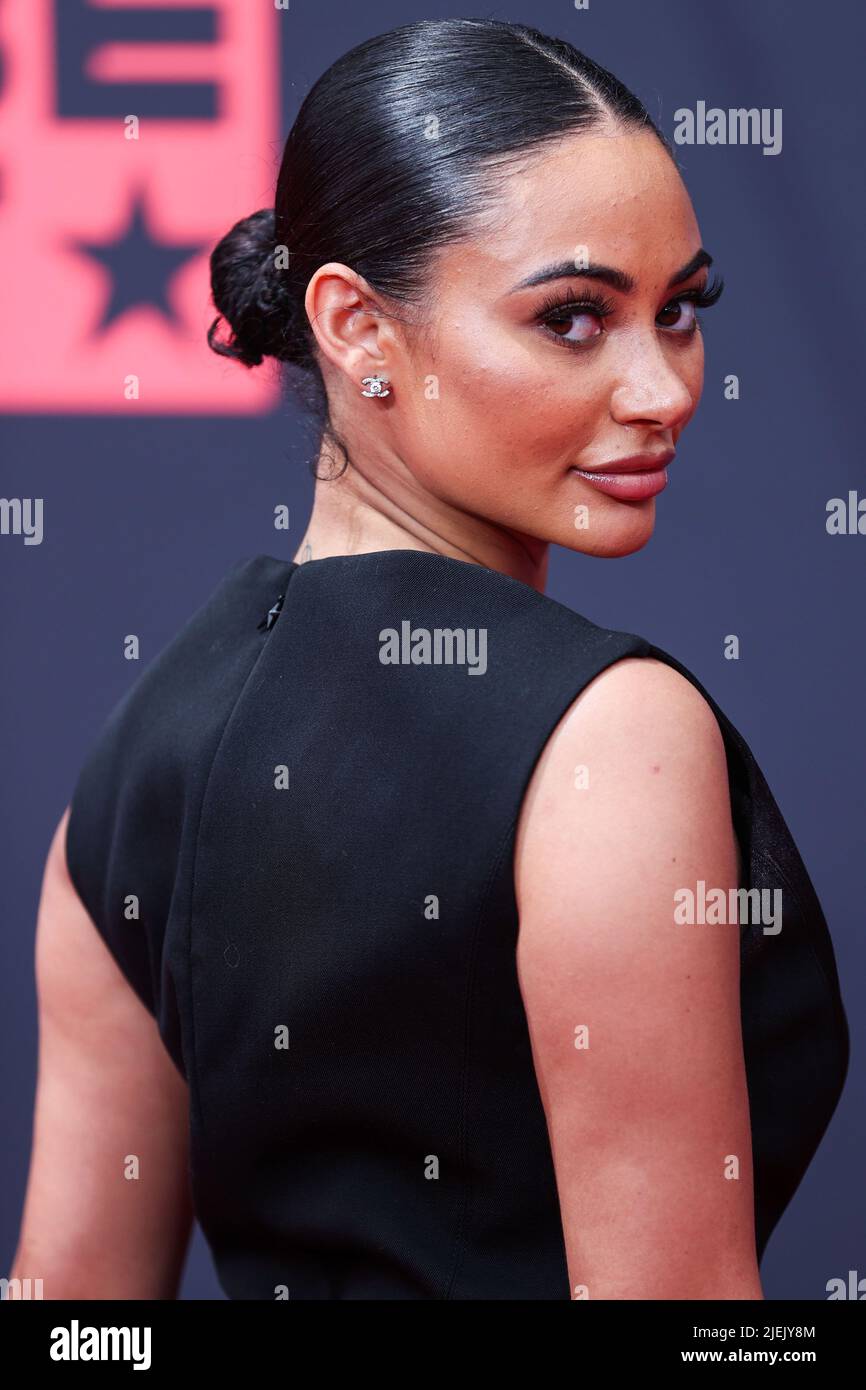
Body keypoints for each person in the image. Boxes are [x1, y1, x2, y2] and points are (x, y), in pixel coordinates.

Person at [10, 18, 848, 1300]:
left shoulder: (133, 766)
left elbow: (74, 1320)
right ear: (352, 327)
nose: (664, 388)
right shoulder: (607, 737)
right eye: (573, 318)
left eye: (678, 311)